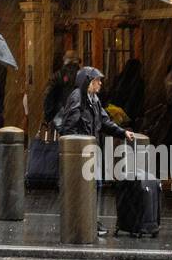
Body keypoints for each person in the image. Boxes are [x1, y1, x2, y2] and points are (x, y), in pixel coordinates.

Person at [56, 66, 142, 236]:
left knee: (95, 186)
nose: (100, 83)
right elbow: (68, 128)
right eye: (97, 81)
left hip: (92, 152)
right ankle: (84, 221)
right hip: (82, 154)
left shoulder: (93, 99)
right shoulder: (77, 98)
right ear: (88, 82)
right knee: (86, 188)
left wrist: (122, 132)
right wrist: (78, 149)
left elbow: (104, 121)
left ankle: (90, 220)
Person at [109, 58, 146, 128]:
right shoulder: (139, 82)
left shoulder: (119, 79)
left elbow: (113, 94)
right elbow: (139, 100)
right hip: (130, 114)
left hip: (117, 112)